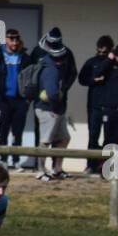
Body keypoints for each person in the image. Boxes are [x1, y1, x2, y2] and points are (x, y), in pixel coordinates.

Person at [32, 28, 76, 182]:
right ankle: (40, 170)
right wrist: (54, 106)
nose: (62, 59)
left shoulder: (64, 57)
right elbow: (50, 93)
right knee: (45, 140)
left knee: (64, 138)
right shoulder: (50, 68)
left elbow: (72, 73)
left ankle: (57, 169)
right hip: (47, 108)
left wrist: (63, 91)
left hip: (58, 106)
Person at [0, 29, 33, 169]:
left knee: (18, 132)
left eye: (16, 39)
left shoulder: (25, 58)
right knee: (3, 131)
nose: (14, 42)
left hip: (20, 101)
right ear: (5, 40)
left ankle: (16, 160)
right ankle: (3, 160)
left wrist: (28, 99)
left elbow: (31, 79)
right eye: (11, 39)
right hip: (3, 100)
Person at [77, 35, 114, 171]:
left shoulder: (114, 63)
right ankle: (90, 164)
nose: (101, 54)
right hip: (94, 105)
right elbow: (81, 79)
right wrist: (94, 80)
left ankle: (105, 165)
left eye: (105, 52)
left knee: (109, 137)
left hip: (110, 105)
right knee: (93, 135)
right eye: (100, 51)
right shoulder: (91, 62)